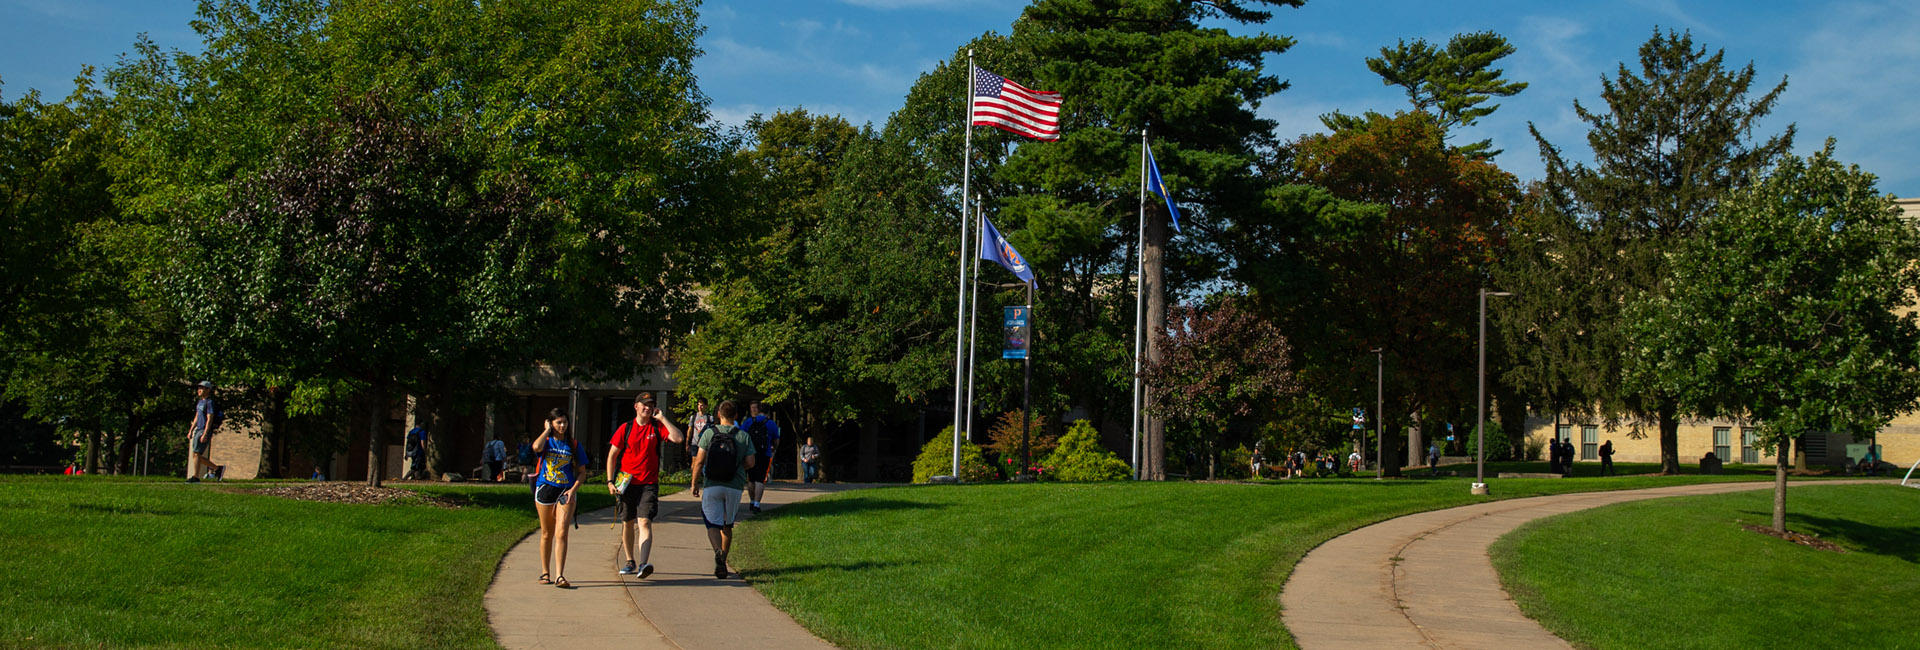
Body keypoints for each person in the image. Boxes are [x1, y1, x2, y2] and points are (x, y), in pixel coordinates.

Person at [606, 394, 685, 579]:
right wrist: (610, 481)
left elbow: (679, 438)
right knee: (627, 522)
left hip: (648, 484)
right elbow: (612, 456)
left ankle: (643, 564)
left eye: (651, 405)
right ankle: (629, 561)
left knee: (645, 521)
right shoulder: (625, 428)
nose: (648, 408)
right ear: (636, 406)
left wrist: (663, 418)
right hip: (626, 483)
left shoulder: (657, 427)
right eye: (645, 405)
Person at [691, 400, 756, 579]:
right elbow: (751, 462)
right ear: (736, 416)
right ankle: (724, 561)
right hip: (734, 487)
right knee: (727, 525)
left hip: (713, 485)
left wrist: (694, 483)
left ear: (719, 414)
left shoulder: (709, 433)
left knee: (712, 524)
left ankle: (718, 551)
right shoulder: (743, 436)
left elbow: (699, 461)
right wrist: (737, 468)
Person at [532, 408, 585, 588]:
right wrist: (546, 430)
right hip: (546, 489)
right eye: (558, 422)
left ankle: (560, 575)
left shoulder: (574, 445)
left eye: (565, 422)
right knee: (547, 533)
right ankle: (545, 572)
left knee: (562, 532)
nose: (562, 426)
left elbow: (582, 472)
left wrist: (573, 489)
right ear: (551, 423)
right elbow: (535, 448)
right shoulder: (547, 442)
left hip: (566, 491)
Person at [740, 401, 781, 514]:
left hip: (750, 454)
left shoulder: (749, 421)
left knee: (751, 479)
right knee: (760, 480)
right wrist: (774, 447)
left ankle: (752, 501)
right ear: (768, 413)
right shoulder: (771, 423)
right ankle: (757, 504)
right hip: (764, 454)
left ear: (758, 411)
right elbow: (776, 439)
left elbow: (741, 434)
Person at [186, 381, 225, 483]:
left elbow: (209, 418)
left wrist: (205, 433)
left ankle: (195, 477)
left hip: (204, 429)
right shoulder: (200, 402)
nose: (199, 390)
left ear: (208, 390)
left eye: (202, 388)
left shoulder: (209, 402)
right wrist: (191, 430)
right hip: (198, 429)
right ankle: (217, 468)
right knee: (195, 454)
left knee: (197, 453)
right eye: (199, 388)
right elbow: (197, 417)